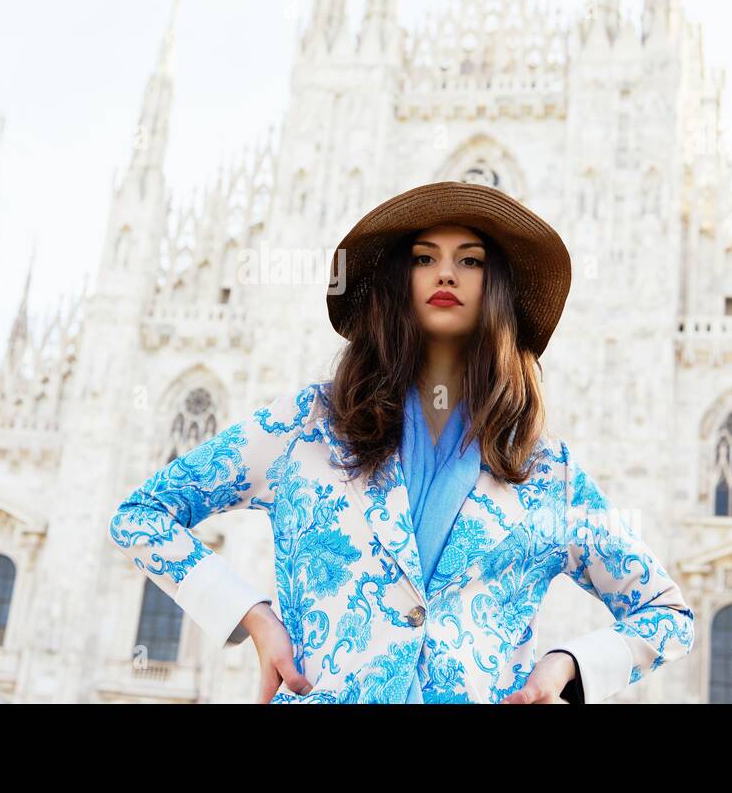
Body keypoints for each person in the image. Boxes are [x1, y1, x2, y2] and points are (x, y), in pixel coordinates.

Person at [108, 181, 696, 703]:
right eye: (424, 258)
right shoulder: (310, 423)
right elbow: (142, 515)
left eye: (470, 260)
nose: (446, 273)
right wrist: (251, 616)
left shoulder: (545, 471)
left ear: (495, 291)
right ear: (398, 281)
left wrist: (567, 666)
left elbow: (666, 614)